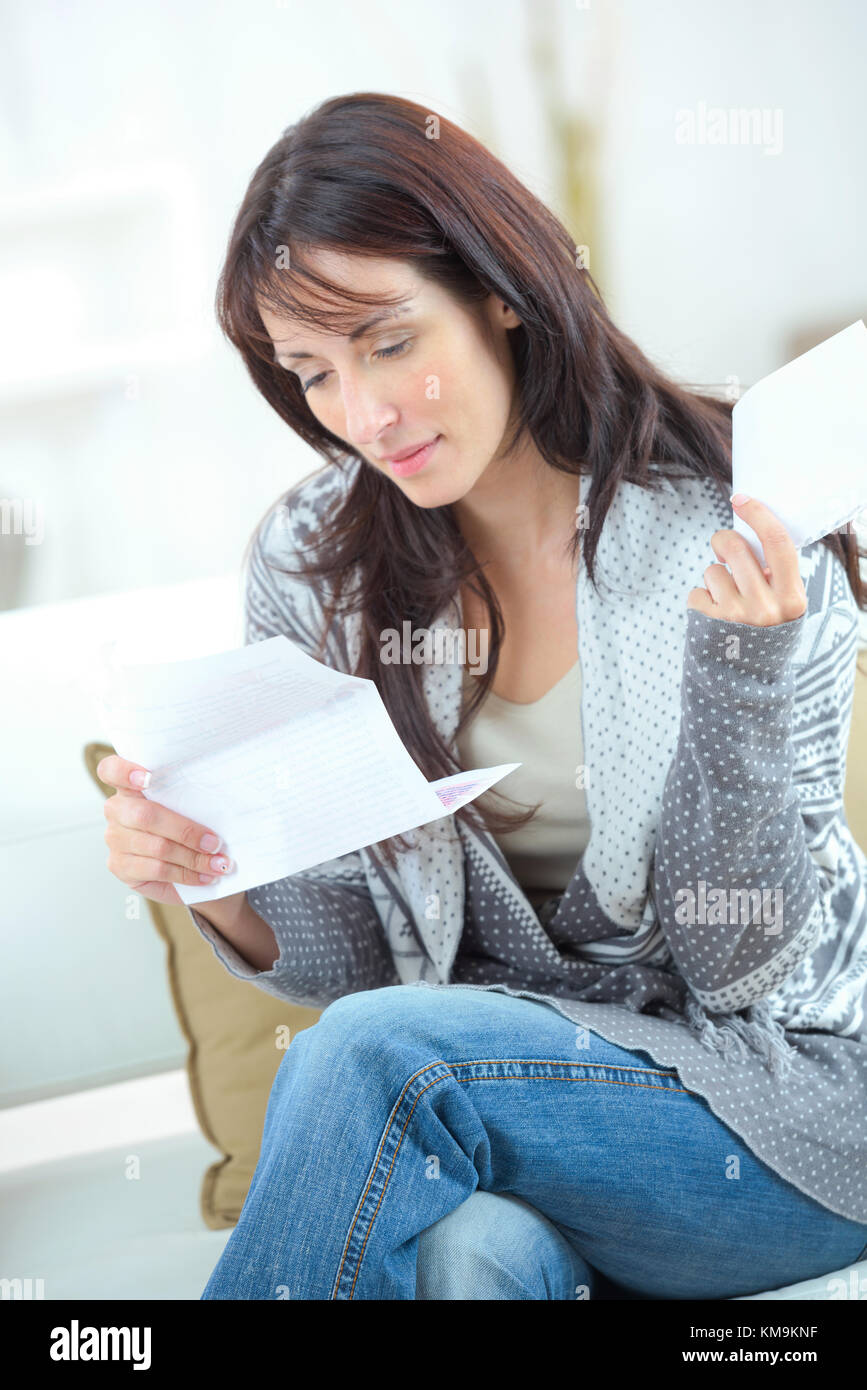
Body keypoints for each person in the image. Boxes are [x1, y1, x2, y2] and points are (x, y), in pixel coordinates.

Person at [99, 93, 867, 1299]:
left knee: (379, 1054)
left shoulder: (742, 526)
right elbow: (356, 954)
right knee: (462, 1261)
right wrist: (220, 872)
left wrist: (738, 680)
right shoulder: (314, 563)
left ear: (498, 289)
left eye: (392, 343)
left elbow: (740, 974)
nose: (364, 416)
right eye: (314, 373)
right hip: (515, 1130)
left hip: (775, 1116)